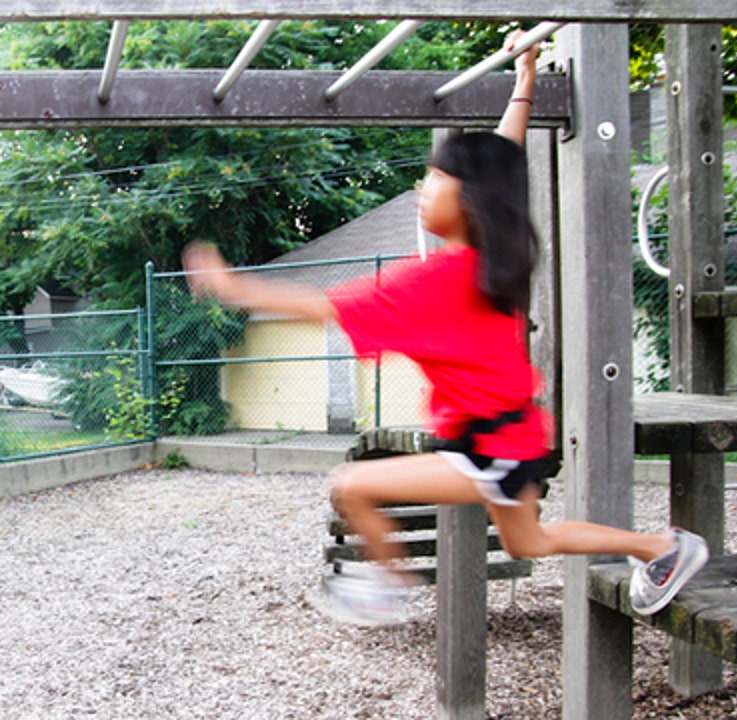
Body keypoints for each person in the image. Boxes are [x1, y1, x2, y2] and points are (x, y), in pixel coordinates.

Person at [182, 35, 708, 625]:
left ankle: (389, 582)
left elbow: (323, 306)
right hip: (510, 437)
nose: (419, 188)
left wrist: (235, 288)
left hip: (490, 446)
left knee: (353, 483)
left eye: (432, 178)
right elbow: (503, 157)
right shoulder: (486, 255)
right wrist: (524, 82)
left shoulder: (436, 282)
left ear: (469, 197)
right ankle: (661, 548)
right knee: (527, 543)